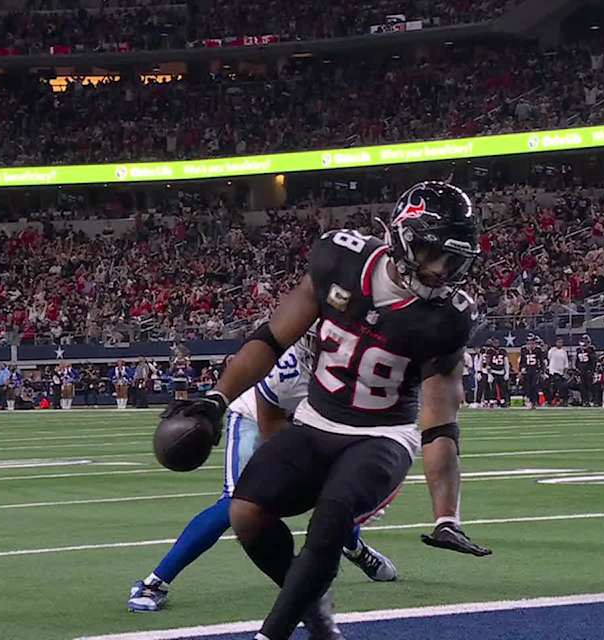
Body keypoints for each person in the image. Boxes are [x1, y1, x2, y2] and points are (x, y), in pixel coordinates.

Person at [168, 181, 491, 640]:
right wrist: (218, 398)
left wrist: (446, 516)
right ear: (403, 236)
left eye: (453, 259)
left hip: (382, 434)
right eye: (432, 252)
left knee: (331, 518)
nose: (442, 269)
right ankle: (315, 609)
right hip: (318, 420)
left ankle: (271, 633)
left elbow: (439, 422)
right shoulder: (340, 258)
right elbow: (271, 338)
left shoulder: (451, 317)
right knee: (245, 512)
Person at [128, 328, 398, 613]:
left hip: (305, 426)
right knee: (235, 502)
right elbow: (271, 424)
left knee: (340, 495)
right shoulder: (287, 368)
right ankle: (154, 582)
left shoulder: (362, 365)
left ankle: (354, 548)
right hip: (255, 420)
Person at [518, 334, 544, 408]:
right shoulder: (524, 350)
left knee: (534, 386)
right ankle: (528, 399)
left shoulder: (538, 350)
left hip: (535, 370)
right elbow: (522, 361)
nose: (531, 345)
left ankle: (534, 401)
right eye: (529, 343)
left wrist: (542, 371)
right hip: (527, 370)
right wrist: (520, 371)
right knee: (527, 386)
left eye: (532, 343)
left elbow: (541, 361)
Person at [482, 337, 509, 408]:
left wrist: (507, 373)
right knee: (493, 388)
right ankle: (492, 401)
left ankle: (503, 401)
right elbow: (487, 361)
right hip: (493, 371)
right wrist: (489, 373)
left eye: (497, 342)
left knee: (502, 388)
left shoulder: (503, 351)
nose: (496, 344)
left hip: (501, 371)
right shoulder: (490, 351)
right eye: (494, 342)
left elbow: (506, 363)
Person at [572, 335, 597, 406]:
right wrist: (577, 369)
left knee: (590, 386)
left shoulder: (591, 350)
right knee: (582, 387)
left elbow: (593, 360)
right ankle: (584, 401)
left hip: (588, 371)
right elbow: (577, 361)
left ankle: (592, 401)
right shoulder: (579, 350)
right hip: (581, 371)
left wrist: (592, 370)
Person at [546, 336, 570, 406]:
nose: (560, 344)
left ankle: (562, 400)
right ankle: (550, 401)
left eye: (561, 342)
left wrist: (565, 373)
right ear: (556, 343)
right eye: (559, 342)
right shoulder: (552, 350)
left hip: (561, 373)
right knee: (552, 387)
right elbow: (548, 359)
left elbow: (566, 364)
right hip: (552, 372)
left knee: (563, 387)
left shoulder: (564, 352)